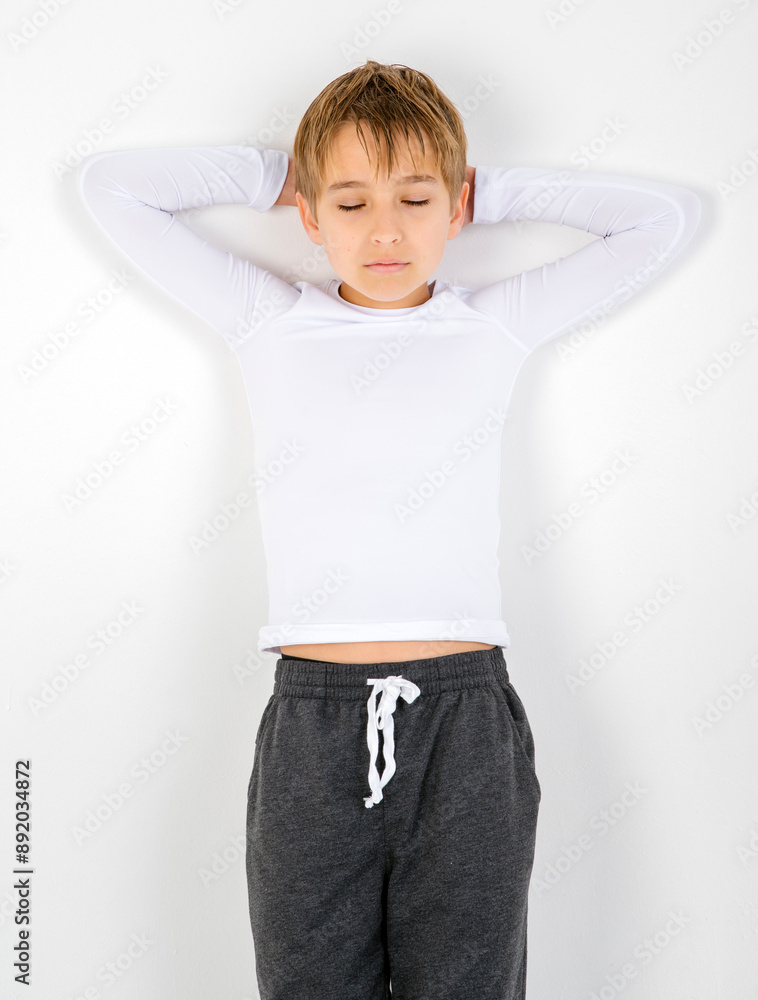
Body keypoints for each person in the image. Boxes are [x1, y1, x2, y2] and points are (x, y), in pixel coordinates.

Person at [76, 59, 701, 1000]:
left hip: (466, 722)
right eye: (352, 201)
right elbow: (110, 190)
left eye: (416, 198)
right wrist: (277, 171)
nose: (385, 230)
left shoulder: (495, 327)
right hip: (312, 724)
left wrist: (484, 187)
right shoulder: (267, 321)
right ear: (309, 214)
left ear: (454, 209)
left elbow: (660, 221)